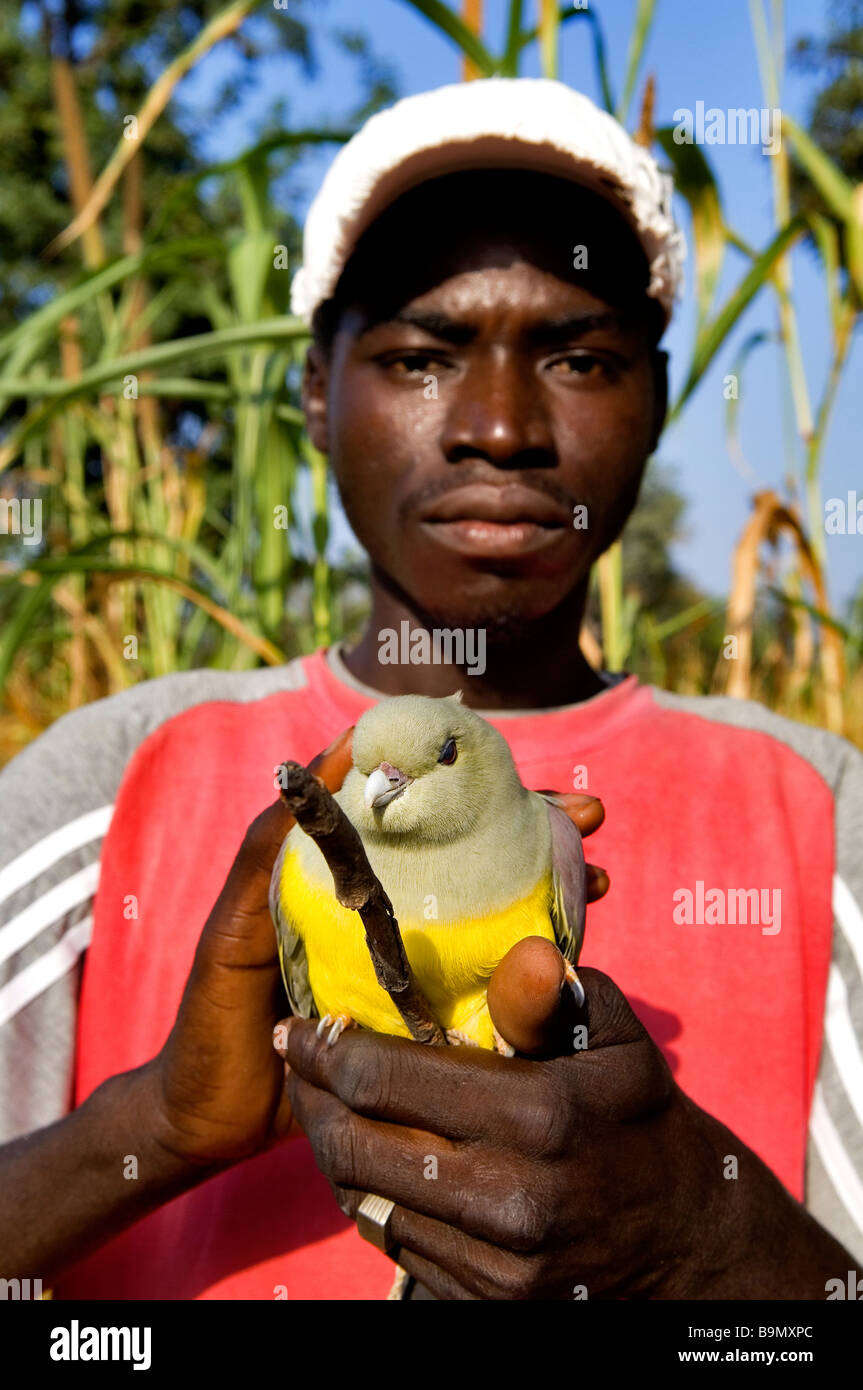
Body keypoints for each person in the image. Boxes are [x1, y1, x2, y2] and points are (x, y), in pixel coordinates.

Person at [0, 78, 860, 1301]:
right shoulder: (110, 782)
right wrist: (151, 1126)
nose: (498, 428)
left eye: (576, 355)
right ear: (313, 392)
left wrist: (705, 1238)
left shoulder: (820, 821)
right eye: (417, 355)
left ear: (657, 402)